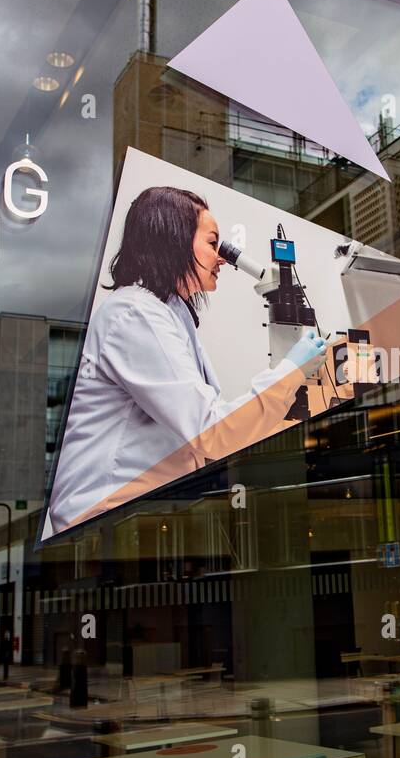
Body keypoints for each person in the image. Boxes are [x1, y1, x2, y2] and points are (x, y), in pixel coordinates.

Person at [48, 186, 326, 534]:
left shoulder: (168, 313)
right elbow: (210, 430)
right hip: (103, 518)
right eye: (213, 244)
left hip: (138, 517)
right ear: (174, 241)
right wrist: (291, 372)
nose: (222, 258)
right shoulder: (134, 313)